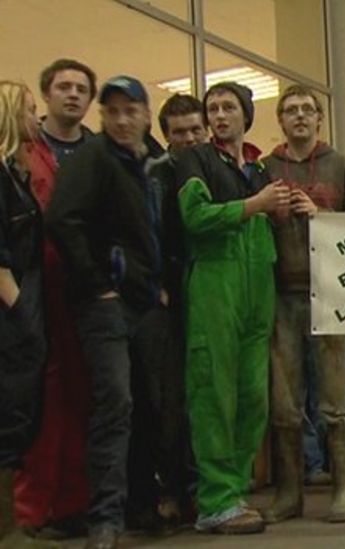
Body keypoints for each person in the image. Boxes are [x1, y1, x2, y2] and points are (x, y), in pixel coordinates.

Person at [47, 75, 173, 549]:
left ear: (144, 114)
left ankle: (142, 504)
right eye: (113, 111)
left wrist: (160, 285)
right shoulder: (94, 158)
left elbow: (159, 231)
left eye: (130, 110)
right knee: (115, 404)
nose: (121, 120)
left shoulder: (151, 164)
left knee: (149, 406)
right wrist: (98, 283)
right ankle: (105, 518)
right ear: (103, 117)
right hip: (106, 307)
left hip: (146, 304)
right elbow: (62, 219)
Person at [176, 82, 289, 535]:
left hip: (257, 287)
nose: (219, 115)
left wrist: (280, 211)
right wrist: (254, 206)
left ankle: (235, 489)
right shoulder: (196, 159)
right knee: (214, 393)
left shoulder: (256, 168)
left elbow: (265, 223)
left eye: (228, 107)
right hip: (216, 284)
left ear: (245, 115)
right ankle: (214, 500)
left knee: (251, 397)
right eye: (212, 108)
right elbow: (194, 218)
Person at [261, 84, 345, 523]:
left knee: (338, 398)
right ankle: (289, 493)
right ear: (281, 120)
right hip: (279, 296)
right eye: (291, 110)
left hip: (331, 295)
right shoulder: (263, 168)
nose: (300, 116)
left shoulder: (343, 166)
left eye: (308, 109)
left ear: (320, 119)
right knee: (284, 403)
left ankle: (342, 490)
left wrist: (321, 217)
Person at [16, 59, 97, 541]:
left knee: (83, 395)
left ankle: (73, 504)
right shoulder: (24, 153)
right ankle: (30, 510)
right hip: (33, 290)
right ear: (47, 95)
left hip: (84, 291)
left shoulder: (95, 153)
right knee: (39, 401)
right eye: (63, 87)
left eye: (81, 88)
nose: (72, 94)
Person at [123, 93, 209, 531]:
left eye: (196, 129)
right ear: (165, 135)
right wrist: (154, 283)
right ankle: (174, 490)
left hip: (209, 294)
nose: (189, 138)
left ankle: (204, 489)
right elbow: (142, 233)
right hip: (164, 299)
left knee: (207, 395)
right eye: (179, 132)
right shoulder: (153, 175)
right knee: (167, 402)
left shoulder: (218, 169)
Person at [0, 80, 58, 549]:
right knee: (8, 414)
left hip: (27, 308)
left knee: (22, 413)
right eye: (31, 111)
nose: (37, 120)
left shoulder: (16, 175)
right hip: (11, 315)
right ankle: (7, 528)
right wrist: (21, 312)